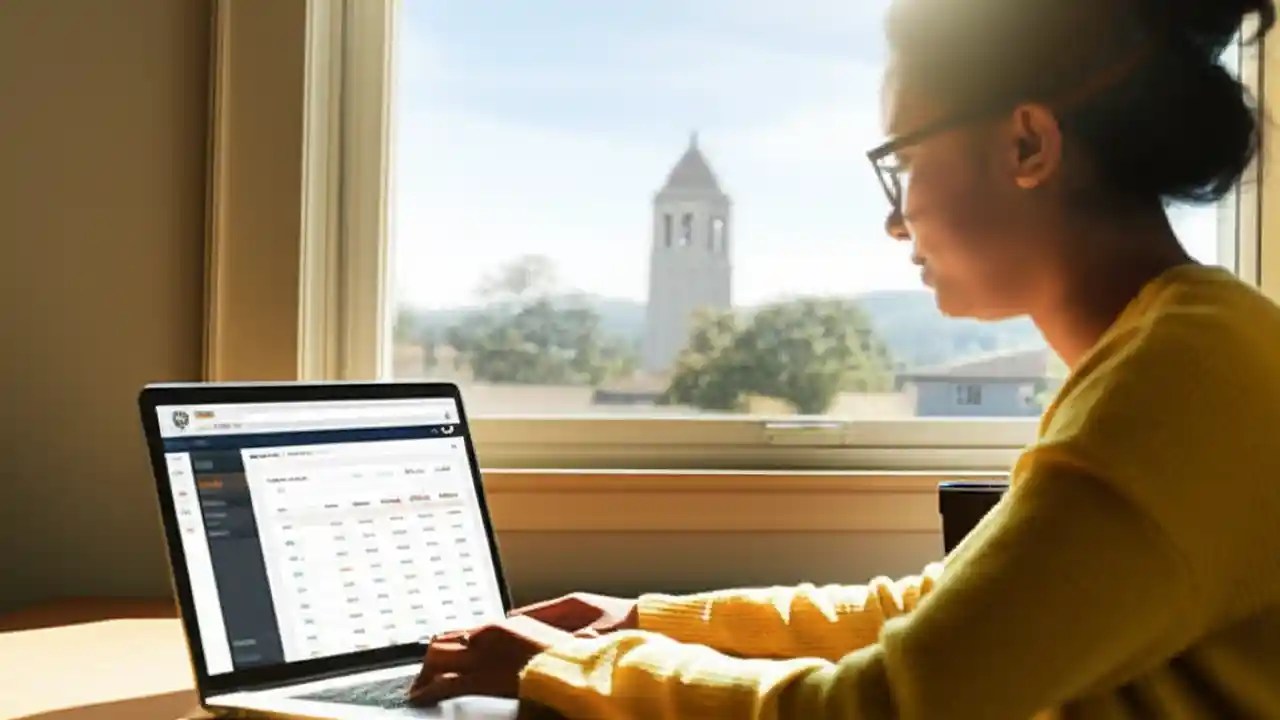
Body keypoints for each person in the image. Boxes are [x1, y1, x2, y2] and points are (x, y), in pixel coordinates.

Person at [409, 0, 1280, 716]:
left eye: (903, 163)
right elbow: (939, 616)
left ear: (1027, 146)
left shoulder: (1180, 379)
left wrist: (575, 672)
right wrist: (649, 617)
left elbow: (884, 707)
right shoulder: (1172, 350)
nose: (894, 222)